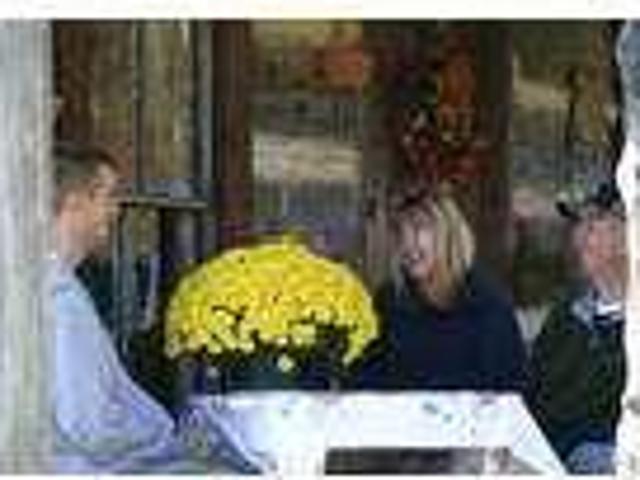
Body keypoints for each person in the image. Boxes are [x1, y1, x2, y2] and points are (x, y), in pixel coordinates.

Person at [50, 142, 233, 473]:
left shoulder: (56, 286)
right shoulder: (59, 299)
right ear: (75, 202)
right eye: (108, 196)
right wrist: (171, 443)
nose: (116, 209)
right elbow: (89, 428)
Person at [349, 183, 527, 392]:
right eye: (399, 232)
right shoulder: (388, 302)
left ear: (448, 235)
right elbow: (362, 382)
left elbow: (511, 392)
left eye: (418, 229)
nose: (407, 243)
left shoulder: (489, 307)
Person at [526, 180, 627, 474]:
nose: (579, 236)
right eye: (577, 224)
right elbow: (532, 397)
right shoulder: (567, 313)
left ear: (629, 232)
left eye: (592, 223)